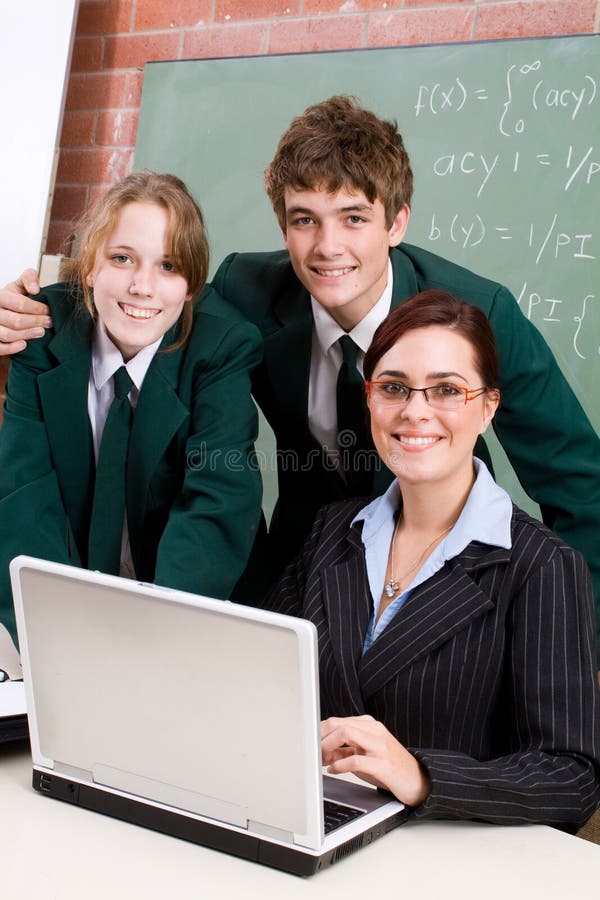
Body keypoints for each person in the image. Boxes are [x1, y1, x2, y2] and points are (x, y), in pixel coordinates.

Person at [1, 96, 600, 661]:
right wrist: (37, 310)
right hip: (308, 570)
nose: (328, 246)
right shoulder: (245, 293)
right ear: (283, 227)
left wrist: (577, 644)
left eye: (354, 217)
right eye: (305, 220)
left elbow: (579, 482)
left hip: (444, 561)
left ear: (396, 223)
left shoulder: (478, 315)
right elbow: (151, 299)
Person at [266, 289, 600, 829]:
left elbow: (570, 777)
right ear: (370, 399)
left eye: (447, 390)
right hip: (314, 829)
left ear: (488, 407)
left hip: (445, 858)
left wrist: (421, 775)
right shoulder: (331, 530)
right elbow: (263, 683)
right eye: (394, 387)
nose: (415, 411)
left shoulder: (541, 566)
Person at [0, 170, 263, 645]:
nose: (143, 286)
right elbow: (25, 499)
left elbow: (217, 500)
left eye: (169, 266)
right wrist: (53, 641)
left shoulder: (221, 347)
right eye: (122, 258)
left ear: (190, 288)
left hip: (187, 609)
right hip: (70, 601)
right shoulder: (43, 332)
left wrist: (150, 645)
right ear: (90, 269)